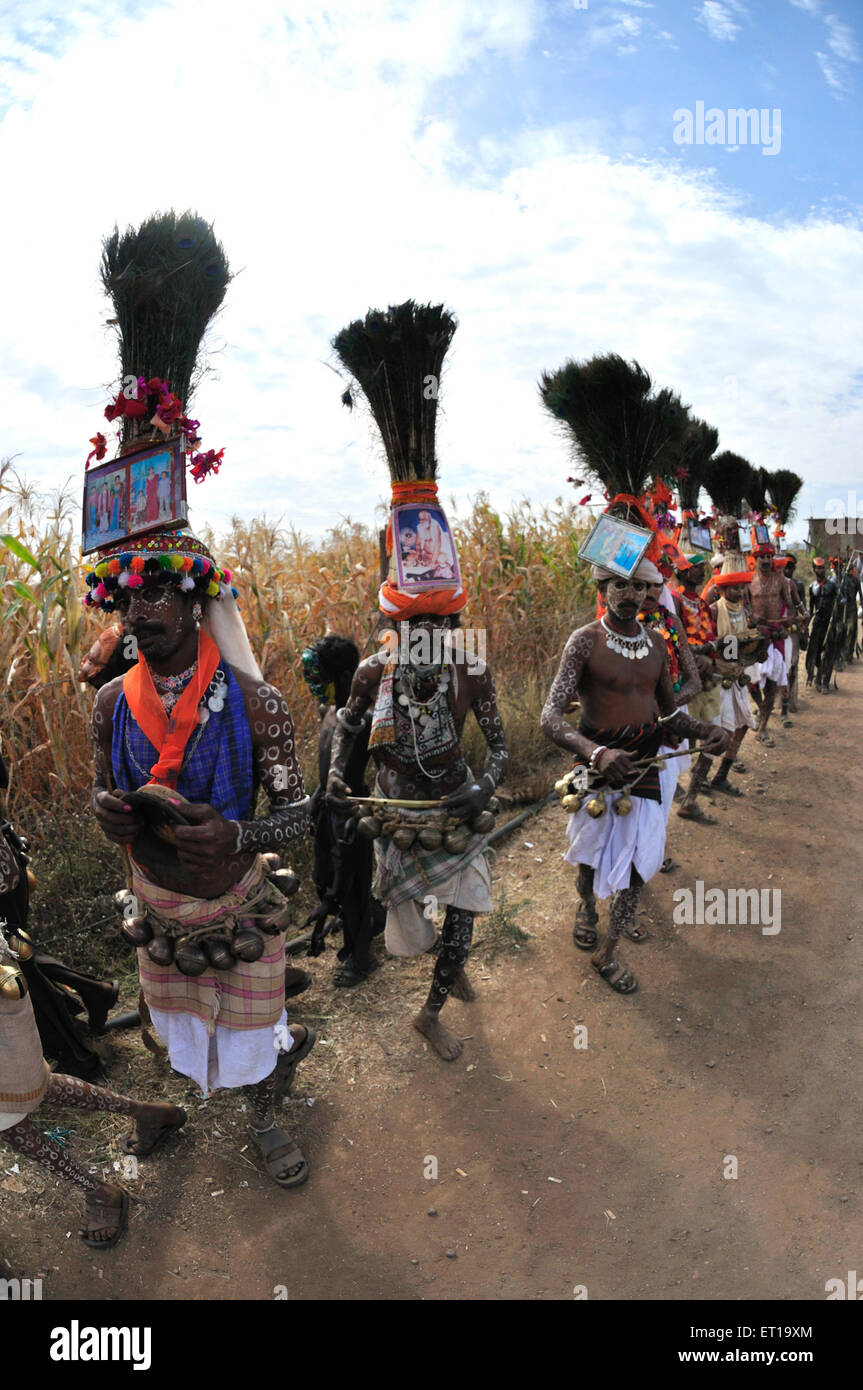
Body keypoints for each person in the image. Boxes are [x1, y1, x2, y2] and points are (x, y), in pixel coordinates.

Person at [330, 300, 508, 1061]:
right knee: (406, 926)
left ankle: (434, 1007)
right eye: (413, 625)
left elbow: (498, 746)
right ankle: (441, 966)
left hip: (455, 808)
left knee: (465, 912)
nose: (426, 636)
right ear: (395, 625)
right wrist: (342, 785)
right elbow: (343, 748)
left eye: (437, 622)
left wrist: (484, 785)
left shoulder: (470, 664)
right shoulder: (372, 671)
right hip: (397, 817)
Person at [541, 562, 729, 995]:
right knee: (587, 856)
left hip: (644, 767)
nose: (629, 593)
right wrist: (597, 753)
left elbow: (667, 716)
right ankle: (586, 903)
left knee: (643, 862)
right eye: (619, 584)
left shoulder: (658, 645)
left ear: (650, 593)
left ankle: (607, 952)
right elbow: (549, 719)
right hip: (594, 769)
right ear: (603, 588)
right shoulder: (583, 642)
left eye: (639, 586)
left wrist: (705, 732)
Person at [302, 635, 384, 987]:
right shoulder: (328, 712)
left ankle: (362, 957)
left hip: (352, 814)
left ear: (348, 675)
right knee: (329, 882)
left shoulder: (363, 719)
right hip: (327, 810)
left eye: (324, 679)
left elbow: (383, 767)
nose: (316, 688)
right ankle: (363, 931)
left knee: (352, 888)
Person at [748, 540, 799, 745]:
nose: (766, 560)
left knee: (771, 685)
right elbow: (745, 609)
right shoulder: (749, 582)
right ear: (756, 559)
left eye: (769, 556)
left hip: (776, 636)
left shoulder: (781, 581)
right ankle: (761, 709)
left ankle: (763, 728)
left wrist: (789, 619)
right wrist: (752, 620)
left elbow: (791, 606)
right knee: (750, 681)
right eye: (762, 557)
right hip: (755, 637)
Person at [806, 557, 839, 692]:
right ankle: (816, 677)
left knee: (829, 653)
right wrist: (805, 624)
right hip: (817, 624)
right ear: (814, 570)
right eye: (818, 568)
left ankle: (825, 681)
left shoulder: (832, 586)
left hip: (830, 623)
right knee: (816, 652)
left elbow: (840, 600)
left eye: (822, 568)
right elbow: (811, 608)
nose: (820, 570)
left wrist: (840, 599)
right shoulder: (812, 587)